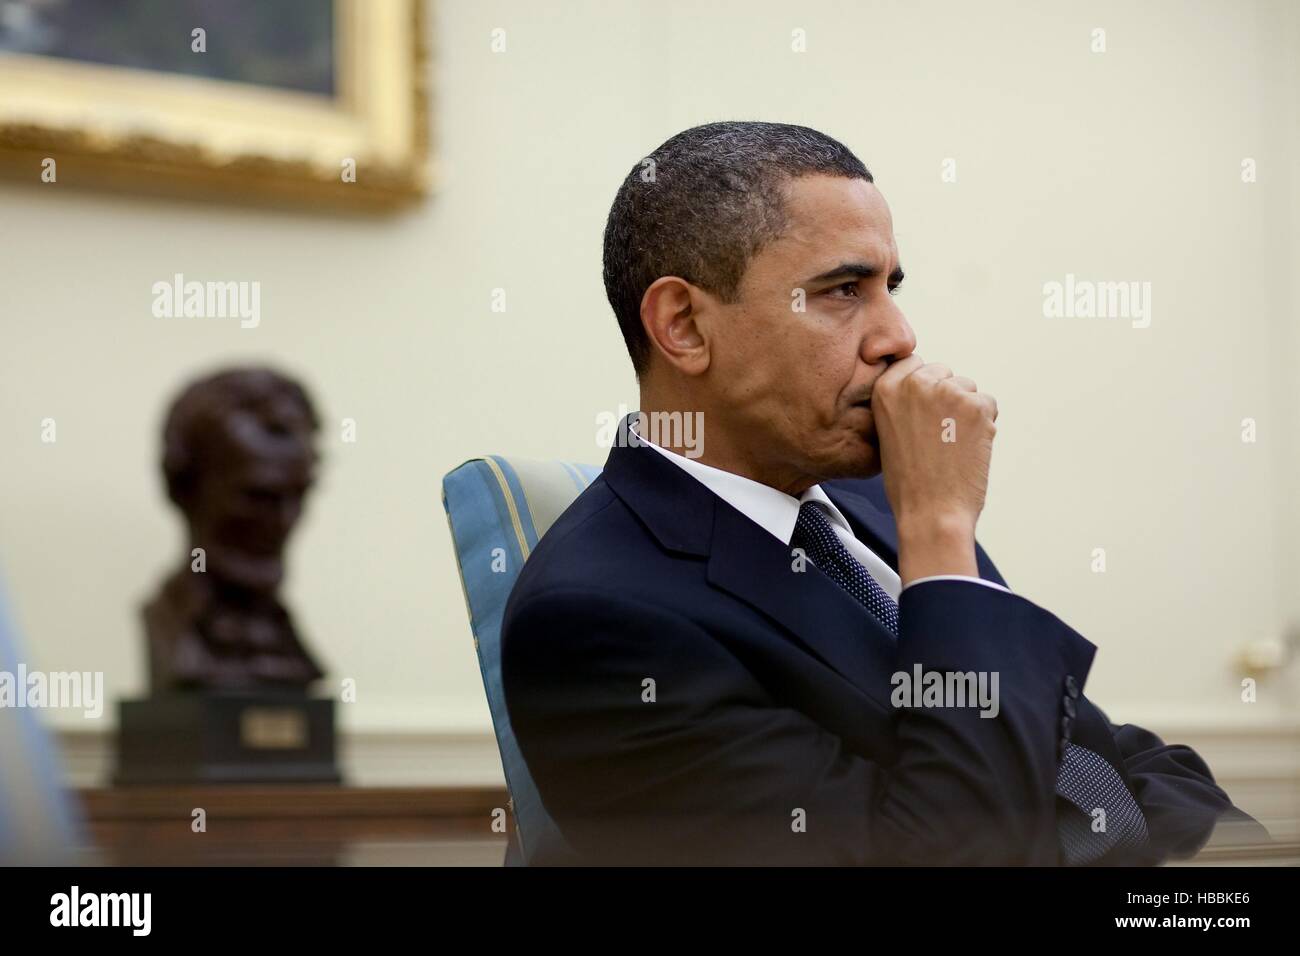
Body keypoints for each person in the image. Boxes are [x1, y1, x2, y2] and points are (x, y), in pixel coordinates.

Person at [501, 121, 1268, 865]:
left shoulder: (861, 509)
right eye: (842, 290)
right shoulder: (593, 625)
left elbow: (1096, 756)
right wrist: (941, 528)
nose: (898, 335)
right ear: (685, 326)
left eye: (889, 286)